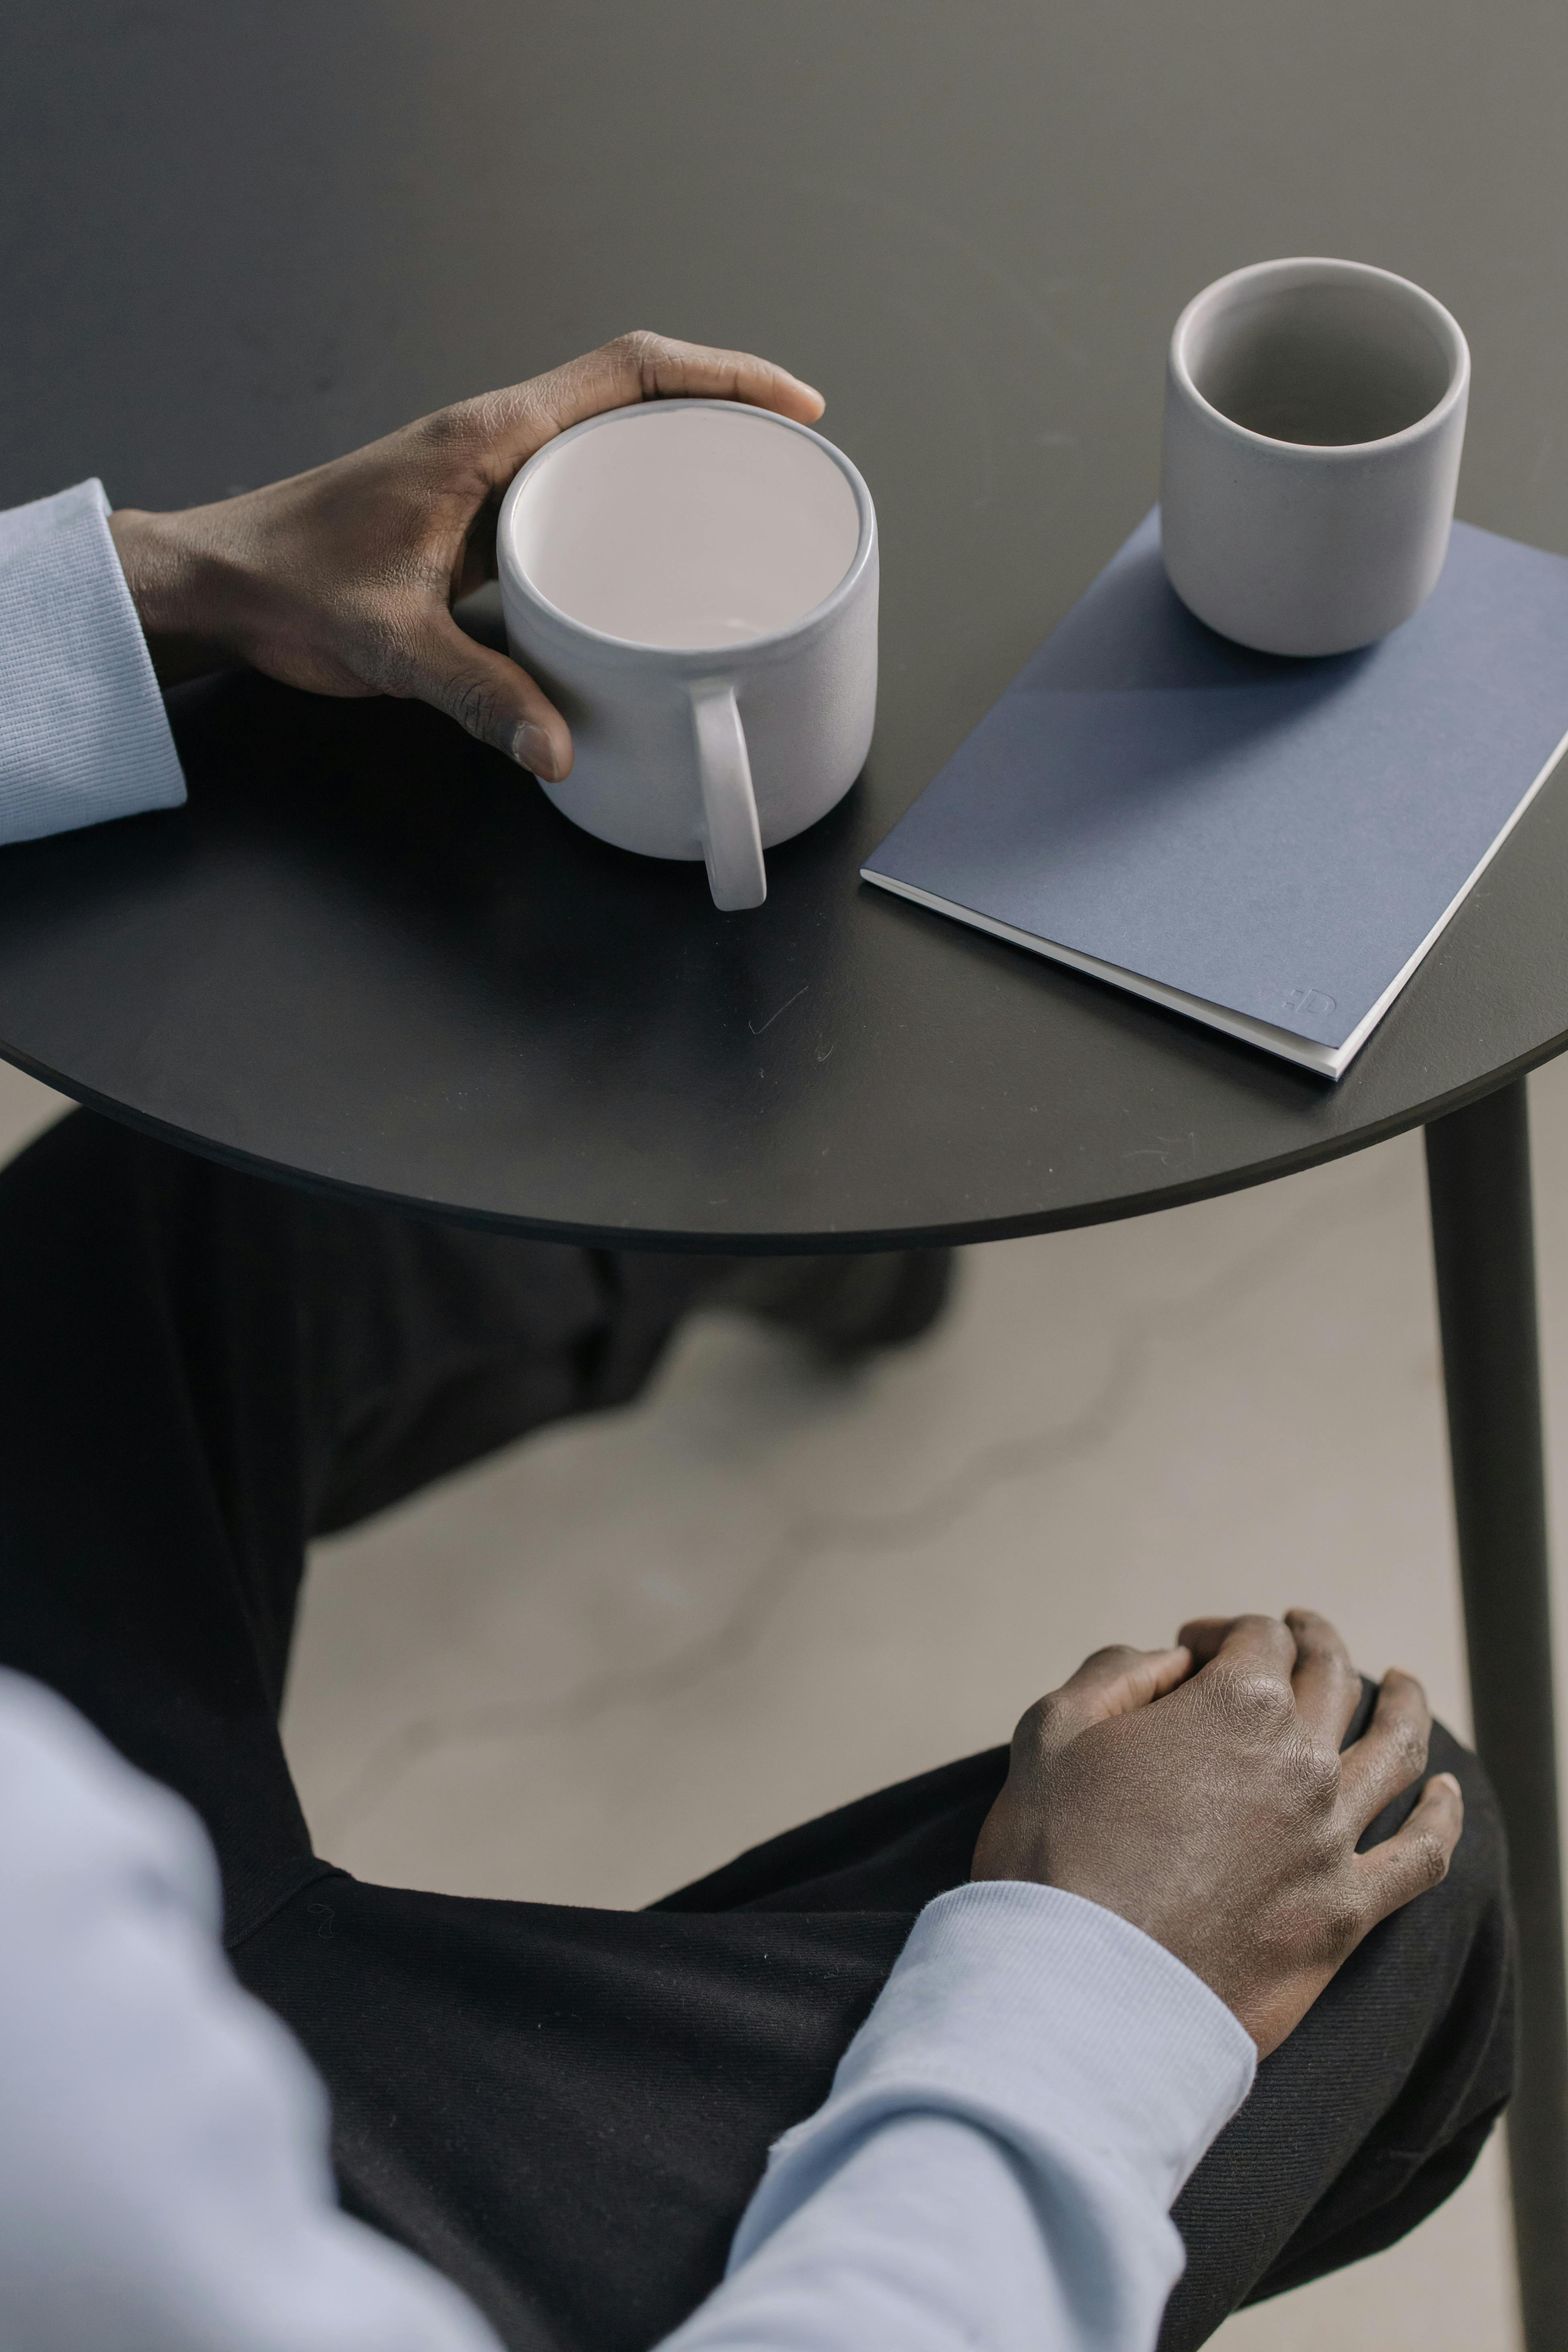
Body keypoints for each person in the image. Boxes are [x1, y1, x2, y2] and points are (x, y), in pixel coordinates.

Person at [0, 332, 1511, 2352]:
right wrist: (1101, 1982)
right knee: (1400, 1857)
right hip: (164, 2169)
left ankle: (757, 1254)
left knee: (210, 1193)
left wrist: (151, 588)